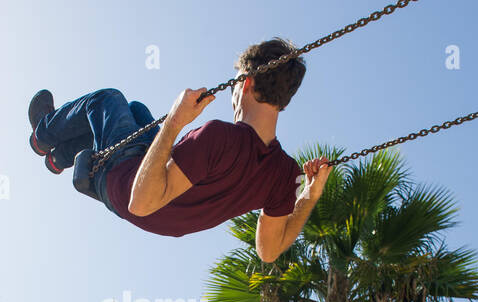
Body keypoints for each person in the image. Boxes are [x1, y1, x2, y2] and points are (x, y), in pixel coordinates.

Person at [28, 37, 332, 263]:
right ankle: (60, 157)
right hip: (163, 210)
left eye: (235, 85)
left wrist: (175, 122)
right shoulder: (284, 172)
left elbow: (141, 203)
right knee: (136, 110)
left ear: (246, 83)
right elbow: (268, 251)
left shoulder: (219, 137)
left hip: (128, 187)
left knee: (107, 100)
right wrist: (308, 197)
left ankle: (42, 134)